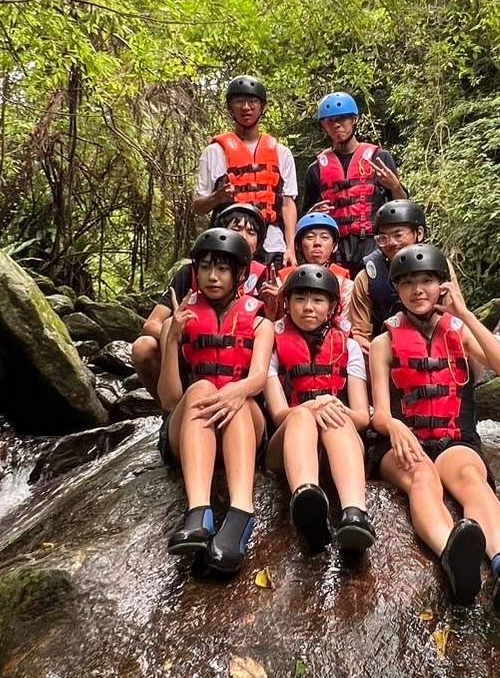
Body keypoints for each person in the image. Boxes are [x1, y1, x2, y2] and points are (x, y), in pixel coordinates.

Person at [369, 243, 500, 609]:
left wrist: (465, 314)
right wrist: (394, 427)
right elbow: (378, 412)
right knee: (421, 475)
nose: (418, 290)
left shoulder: (458, 331)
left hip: (454, 439)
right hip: (404, 443)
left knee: (470, 475)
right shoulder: (383, 342)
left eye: (426, 281)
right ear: (397, 290)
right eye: (407, 283)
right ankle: (452, 552)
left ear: (443, 286)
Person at [158, 227, 275, 575]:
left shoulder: (260, 323)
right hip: (192, 428)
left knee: (234, 397)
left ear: (239, 274)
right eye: (205, 267)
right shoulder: (179, 321)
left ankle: (241, 512)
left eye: (222, 268)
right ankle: (199, 512)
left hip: (240, 426)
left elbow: (257, 379)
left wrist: (234, 392)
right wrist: (172, 339)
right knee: (201, 388)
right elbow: (169, 400)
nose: (212, 276)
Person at [264, 265, 373, 551]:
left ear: (332, 307)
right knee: (301, 413)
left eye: (318, 300)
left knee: (335, 417)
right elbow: (278, 414)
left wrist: (331, 404)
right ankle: (306, 496)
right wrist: (313, 405)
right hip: (288, 446)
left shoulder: (348, 349)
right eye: (300, 299)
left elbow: (361, 417)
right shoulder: (273, 346)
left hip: (337, 443)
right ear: (287, 303)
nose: (308, 308)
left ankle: (354, 514)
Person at [132, 205, 270, 398]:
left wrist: (275, 306)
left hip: (241, 364)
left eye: (251, 232)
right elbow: (151, 324)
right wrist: (187, 336)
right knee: (143, 346)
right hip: (192, 354)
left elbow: (273, 337)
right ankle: (171, 412)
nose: (243, 237)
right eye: (236, 228)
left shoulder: (265, 279)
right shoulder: (191, 273)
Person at [193, 75, 297, 263]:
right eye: (239, 101)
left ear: (262, 107)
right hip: (227, 241)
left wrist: (291, 248)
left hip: (273, 243)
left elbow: (288, 203)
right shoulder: (214, 152)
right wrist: (217, 197)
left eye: (253, 101)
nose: (246, 107)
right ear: (230, 108)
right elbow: (198, 206)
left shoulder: (282, 153)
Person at [301, 92, 406, 273]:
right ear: (323, 126)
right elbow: (305, 217)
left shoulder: (379, 158)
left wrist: (394, 186)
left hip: (372, 243)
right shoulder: (316, 169)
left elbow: (403, 206)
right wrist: (312, 214)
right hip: (335, 248)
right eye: (329, 121)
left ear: (355, 120)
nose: (336, 125)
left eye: (342, 119)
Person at [347, 199, 464, 353]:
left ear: (419, 233)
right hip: (388, 352)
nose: (391, 243)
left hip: (439, 348)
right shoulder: (367, 276)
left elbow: (458, 314)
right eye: (383, 238)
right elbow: (359, 332)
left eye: (398, 235)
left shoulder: (439, 266)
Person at [269, 212, 354, 316]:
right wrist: (275, 302)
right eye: (309, 237)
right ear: (298, 245)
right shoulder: (282, 282)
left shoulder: (346, 285)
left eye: (325, 237)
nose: (317, 243)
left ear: (335, 246)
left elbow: (346, 325)